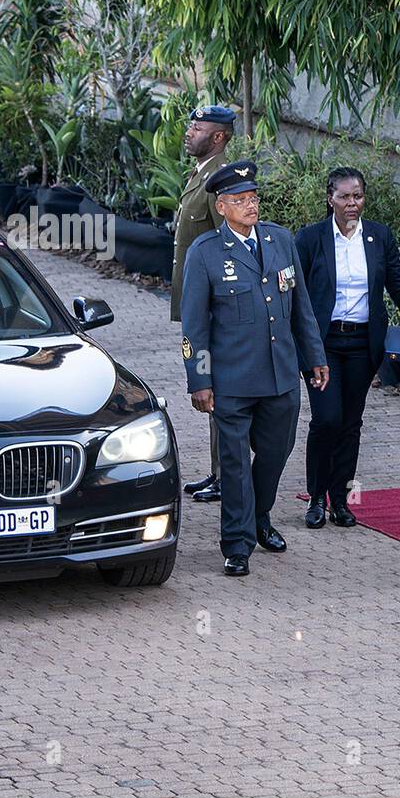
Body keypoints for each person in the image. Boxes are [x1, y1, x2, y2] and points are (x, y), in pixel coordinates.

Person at [180, 160, 329, 577]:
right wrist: (200, 379)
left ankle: (260, 515)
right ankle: (237, 543)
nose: (251, 206)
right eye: (241, 201)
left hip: (281, 376)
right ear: (222, 207)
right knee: (233, 462)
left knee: (276, 452)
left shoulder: (280, 240)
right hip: (232, 381)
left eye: (254, 198)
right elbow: (195, 327)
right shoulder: (206, 253)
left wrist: (314, 357)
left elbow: (301, 309)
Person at [294, 167, 400, 529]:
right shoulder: (310, 239)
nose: (352, 204)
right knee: (327, 419)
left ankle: (341, 501)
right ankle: (316, 497)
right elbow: (295, 296)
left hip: (363, 344)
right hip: (324, 345)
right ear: (330, 199)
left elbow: (399, 286)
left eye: (357, 196)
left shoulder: (378, 237)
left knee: (350, 423)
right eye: (344, 197)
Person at [171, 105, 234, 504]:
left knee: (219, 391)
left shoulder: (220, 179)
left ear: (218, 137)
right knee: (210, 389)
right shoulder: (202, 173)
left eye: (198, 127)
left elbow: (227, 245)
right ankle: (218, 472)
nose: (189, 132)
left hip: (214, 307)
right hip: (198, 305)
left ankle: (228, 476)